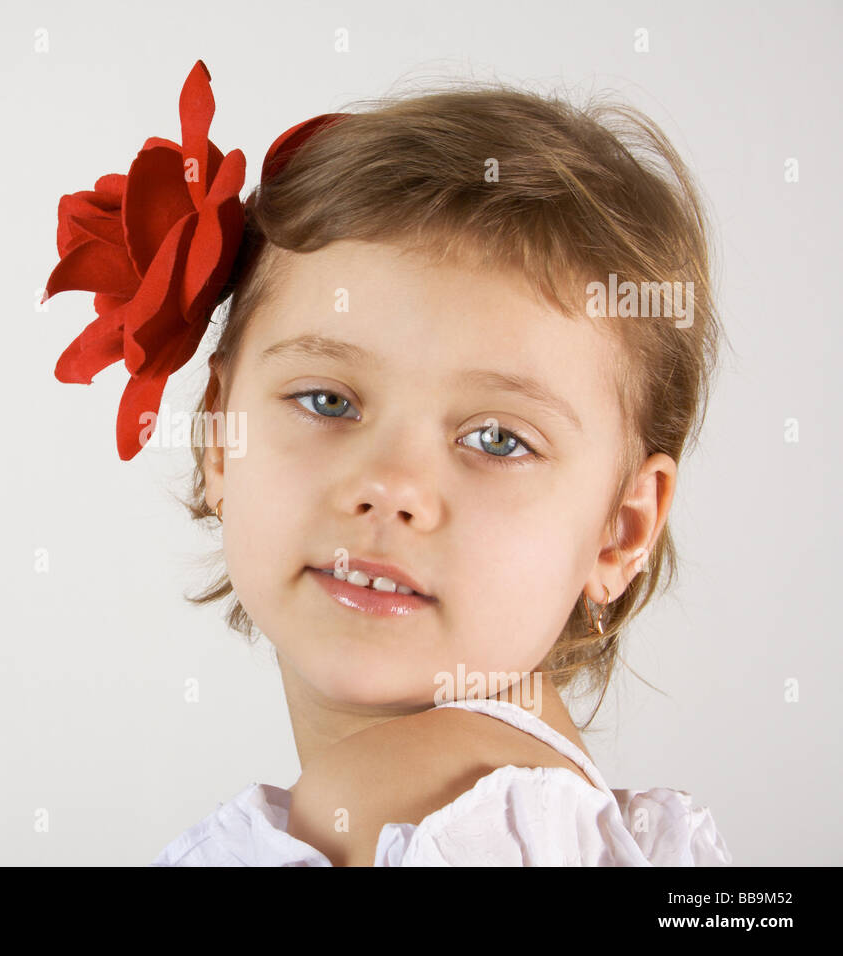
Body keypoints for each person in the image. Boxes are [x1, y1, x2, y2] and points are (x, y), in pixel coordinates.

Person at [42, 60, 733, 866]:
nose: (388, 487)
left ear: (621, 529)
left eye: (498, 439)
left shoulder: (397, 808)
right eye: (328, 401)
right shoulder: (516, 809)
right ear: (217, 434)